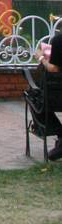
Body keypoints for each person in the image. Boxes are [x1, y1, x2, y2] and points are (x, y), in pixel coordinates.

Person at [33, 29, 62, 160]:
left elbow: (54, 69)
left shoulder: (59, 40)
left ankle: (61, 135)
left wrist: (41, 57)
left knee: (33, 95)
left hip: (57, 96)